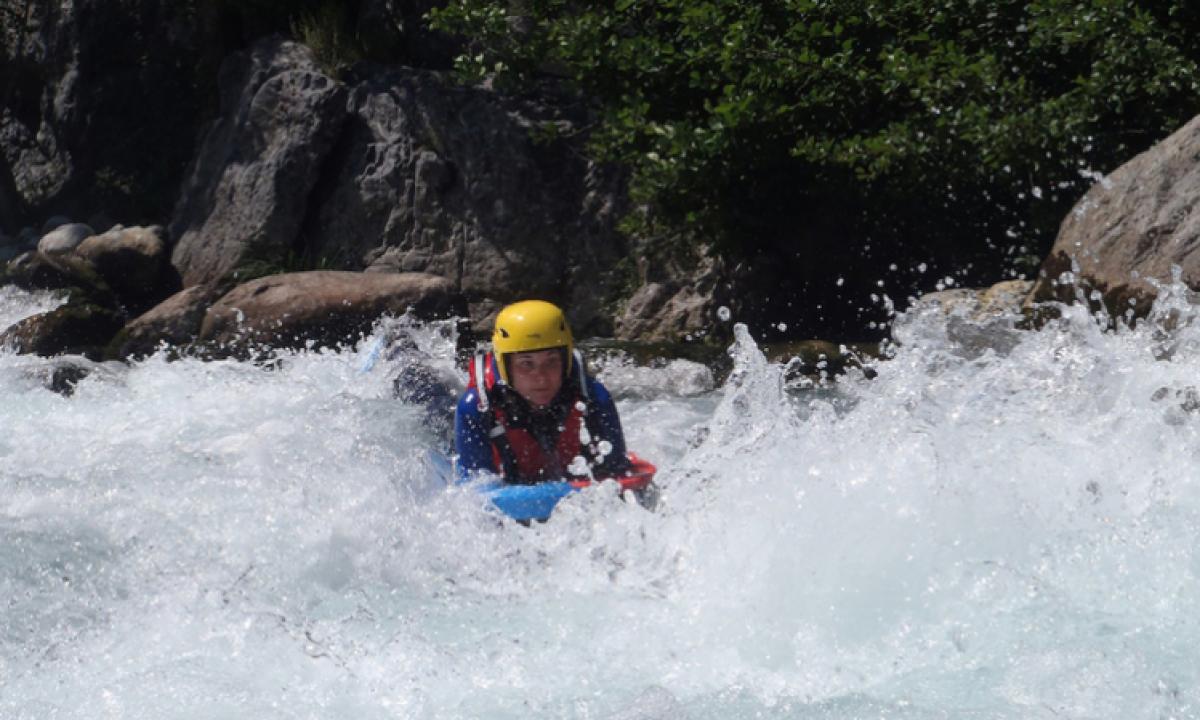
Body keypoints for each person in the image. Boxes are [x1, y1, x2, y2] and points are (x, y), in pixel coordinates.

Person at [454, 299, 631, 484]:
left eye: (552, 361)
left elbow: (617, 472)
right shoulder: (476, 407)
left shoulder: (591, 394)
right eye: (526, 364)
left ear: (566, 361)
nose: (541, 378)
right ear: (506, 367)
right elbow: (476, 494)